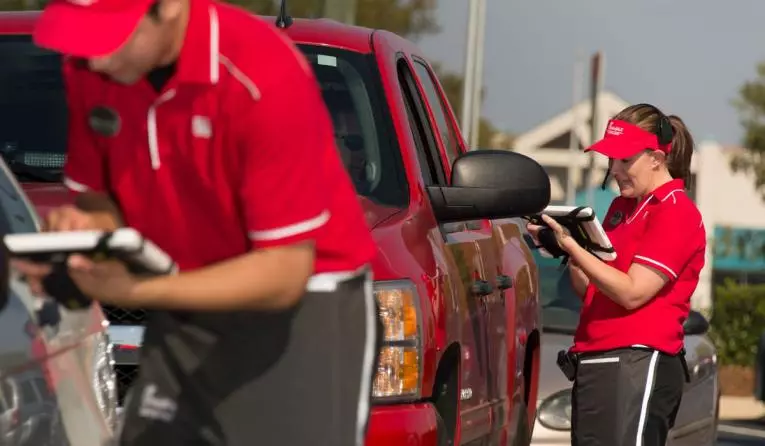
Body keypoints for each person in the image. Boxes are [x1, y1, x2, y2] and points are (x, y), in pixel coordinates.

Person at [19, 0, 380, 444]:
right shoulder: (89, 70)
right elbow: (100, 198)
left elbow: (285, 270)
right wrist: (87, 230)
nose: (95, 58)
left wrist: (136, 292)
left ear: (169, 7)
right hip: (187, 294)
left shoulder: (261, 73)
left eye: (110, 37)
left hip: (302, 307)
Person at [527, 103, 706, 446]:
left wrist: (575, 248)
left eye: (625, 160)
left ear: (656, 158)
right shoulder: (621, 208)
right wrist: (566, 250)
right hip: (598, 358)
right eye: (611, 160)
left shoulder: (676, 212)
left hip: (637, 362)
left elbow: (631, 292)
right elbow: (591, 290)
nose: (615, 170)